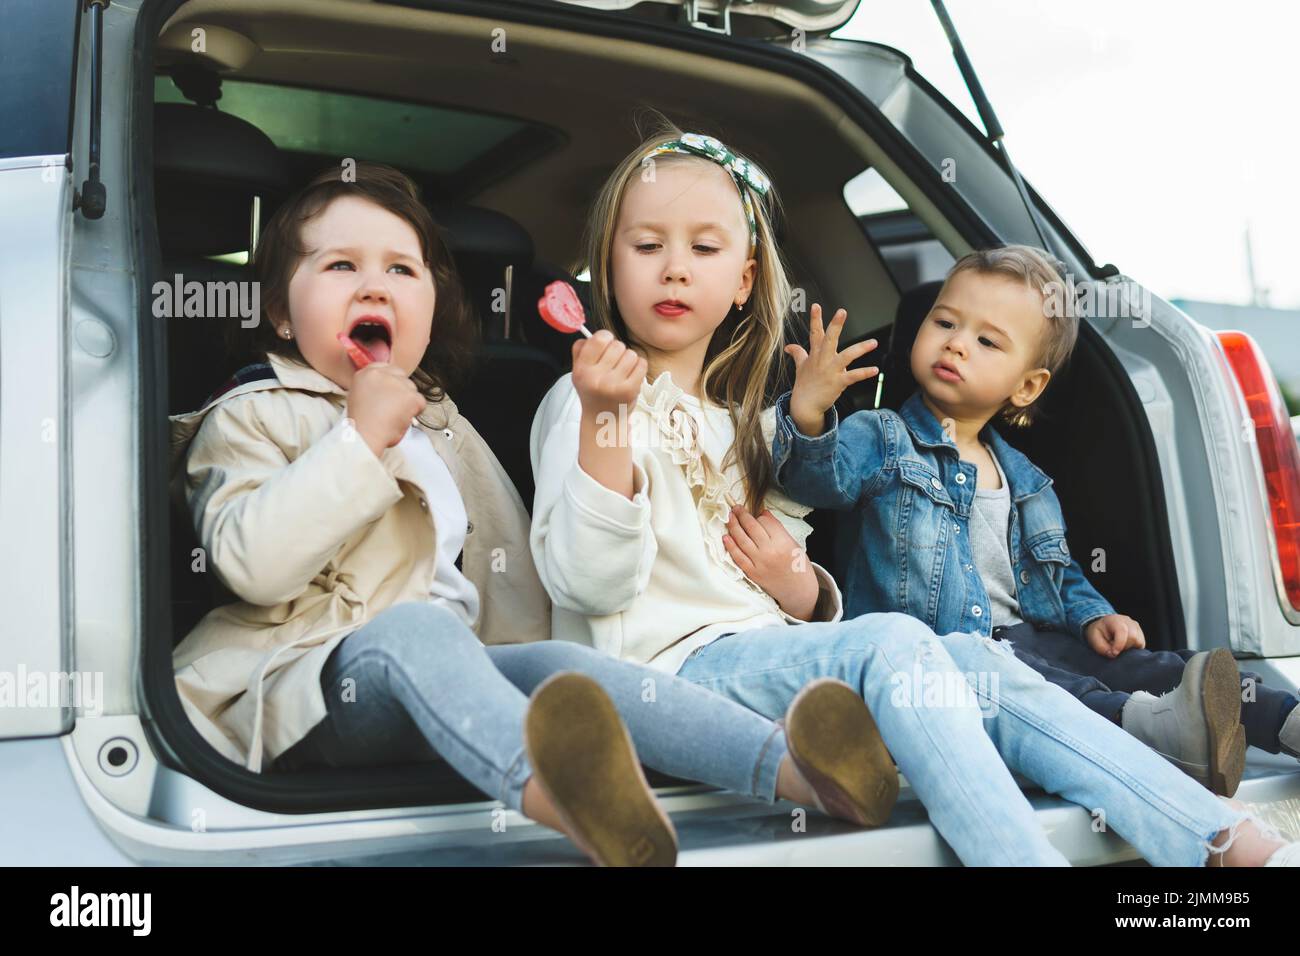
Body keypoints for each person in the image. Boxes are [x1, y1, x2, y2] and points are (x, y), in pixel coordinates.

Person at [529, 117, 1299, 865]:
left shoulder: (748, 431)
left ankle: (1217, 841)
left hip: (773, 655)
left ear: (744, 281)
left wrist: (801, 588)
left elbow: (793, 591)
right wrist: (605, 418)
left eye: (704, 247)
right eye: (647, 245)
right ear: (609, 261)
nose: (674, 267)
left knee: (968, 654)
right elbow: (590, 585)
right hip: (665, 679)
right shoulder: (584, 403)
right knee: (902, 643)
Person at [169, 161, 898, 867]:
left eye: (402, 270)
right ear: (279, 315)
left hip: (458, 682)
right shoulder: (250, 414)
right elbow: (252, 566)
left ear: (428, 311)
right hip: (304, 686)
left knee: (565, 666)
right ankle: (567, 796)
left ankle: (801, 778)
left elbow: (516, 581)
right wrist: (357, 443)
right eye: (340, 267)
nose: (375, 286)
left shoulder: (443, 427)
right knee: (414, 634)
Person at [775, 244, 1300, 798]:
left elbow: (1058, 571)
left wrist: (1095, 614)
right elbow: (814, 481)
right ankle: (1159, 733)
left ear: (1025, 386)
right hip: (949, 659)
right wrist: (808, 412)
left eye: (986, 340)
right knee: (1056, 690)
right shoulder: (882, 437)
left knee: (1160, 665)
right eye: (946, 321)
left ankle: (1282, 721)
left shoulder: (1026, 478)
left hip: (1036, 638)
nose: (956, 342)